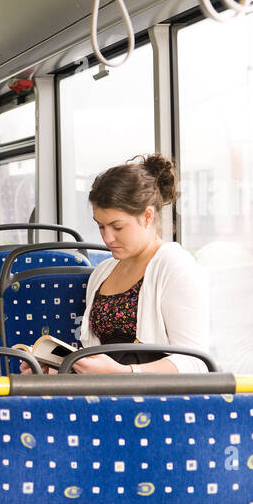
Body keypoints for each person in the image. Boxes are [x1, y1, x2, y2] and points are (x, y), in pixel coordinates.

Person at [71, 154, 211, 375]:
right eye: (100, 227)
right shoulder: (102, 273)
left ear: (147, 216)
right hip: (104, 394)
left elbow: (196, 363)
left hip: (154, 399)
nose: (107, 238)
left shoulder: (175, 266)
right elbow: (96, 360)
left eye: (117, 227)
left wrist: (124, 373)